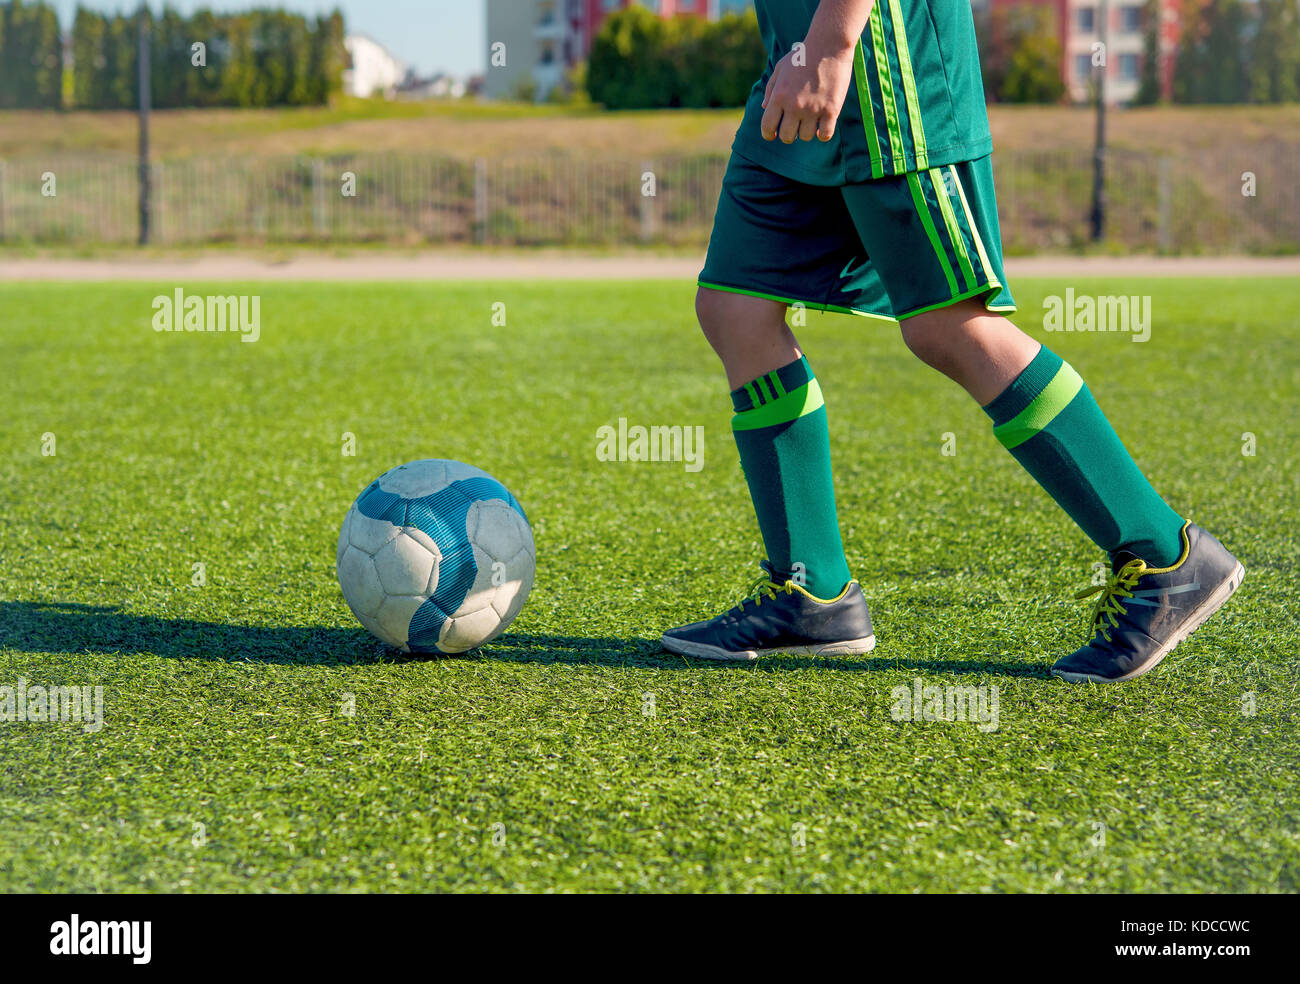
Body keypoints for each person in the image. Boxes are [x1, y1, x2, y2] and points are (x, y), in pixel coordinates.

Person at [659, 0, 1243, 682]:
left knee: (947, 324)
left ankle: (1166, 557)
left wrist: (831, 43)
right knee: (737, 307)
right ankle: (811, 591)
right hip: (794, 60)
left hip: (880, 60)